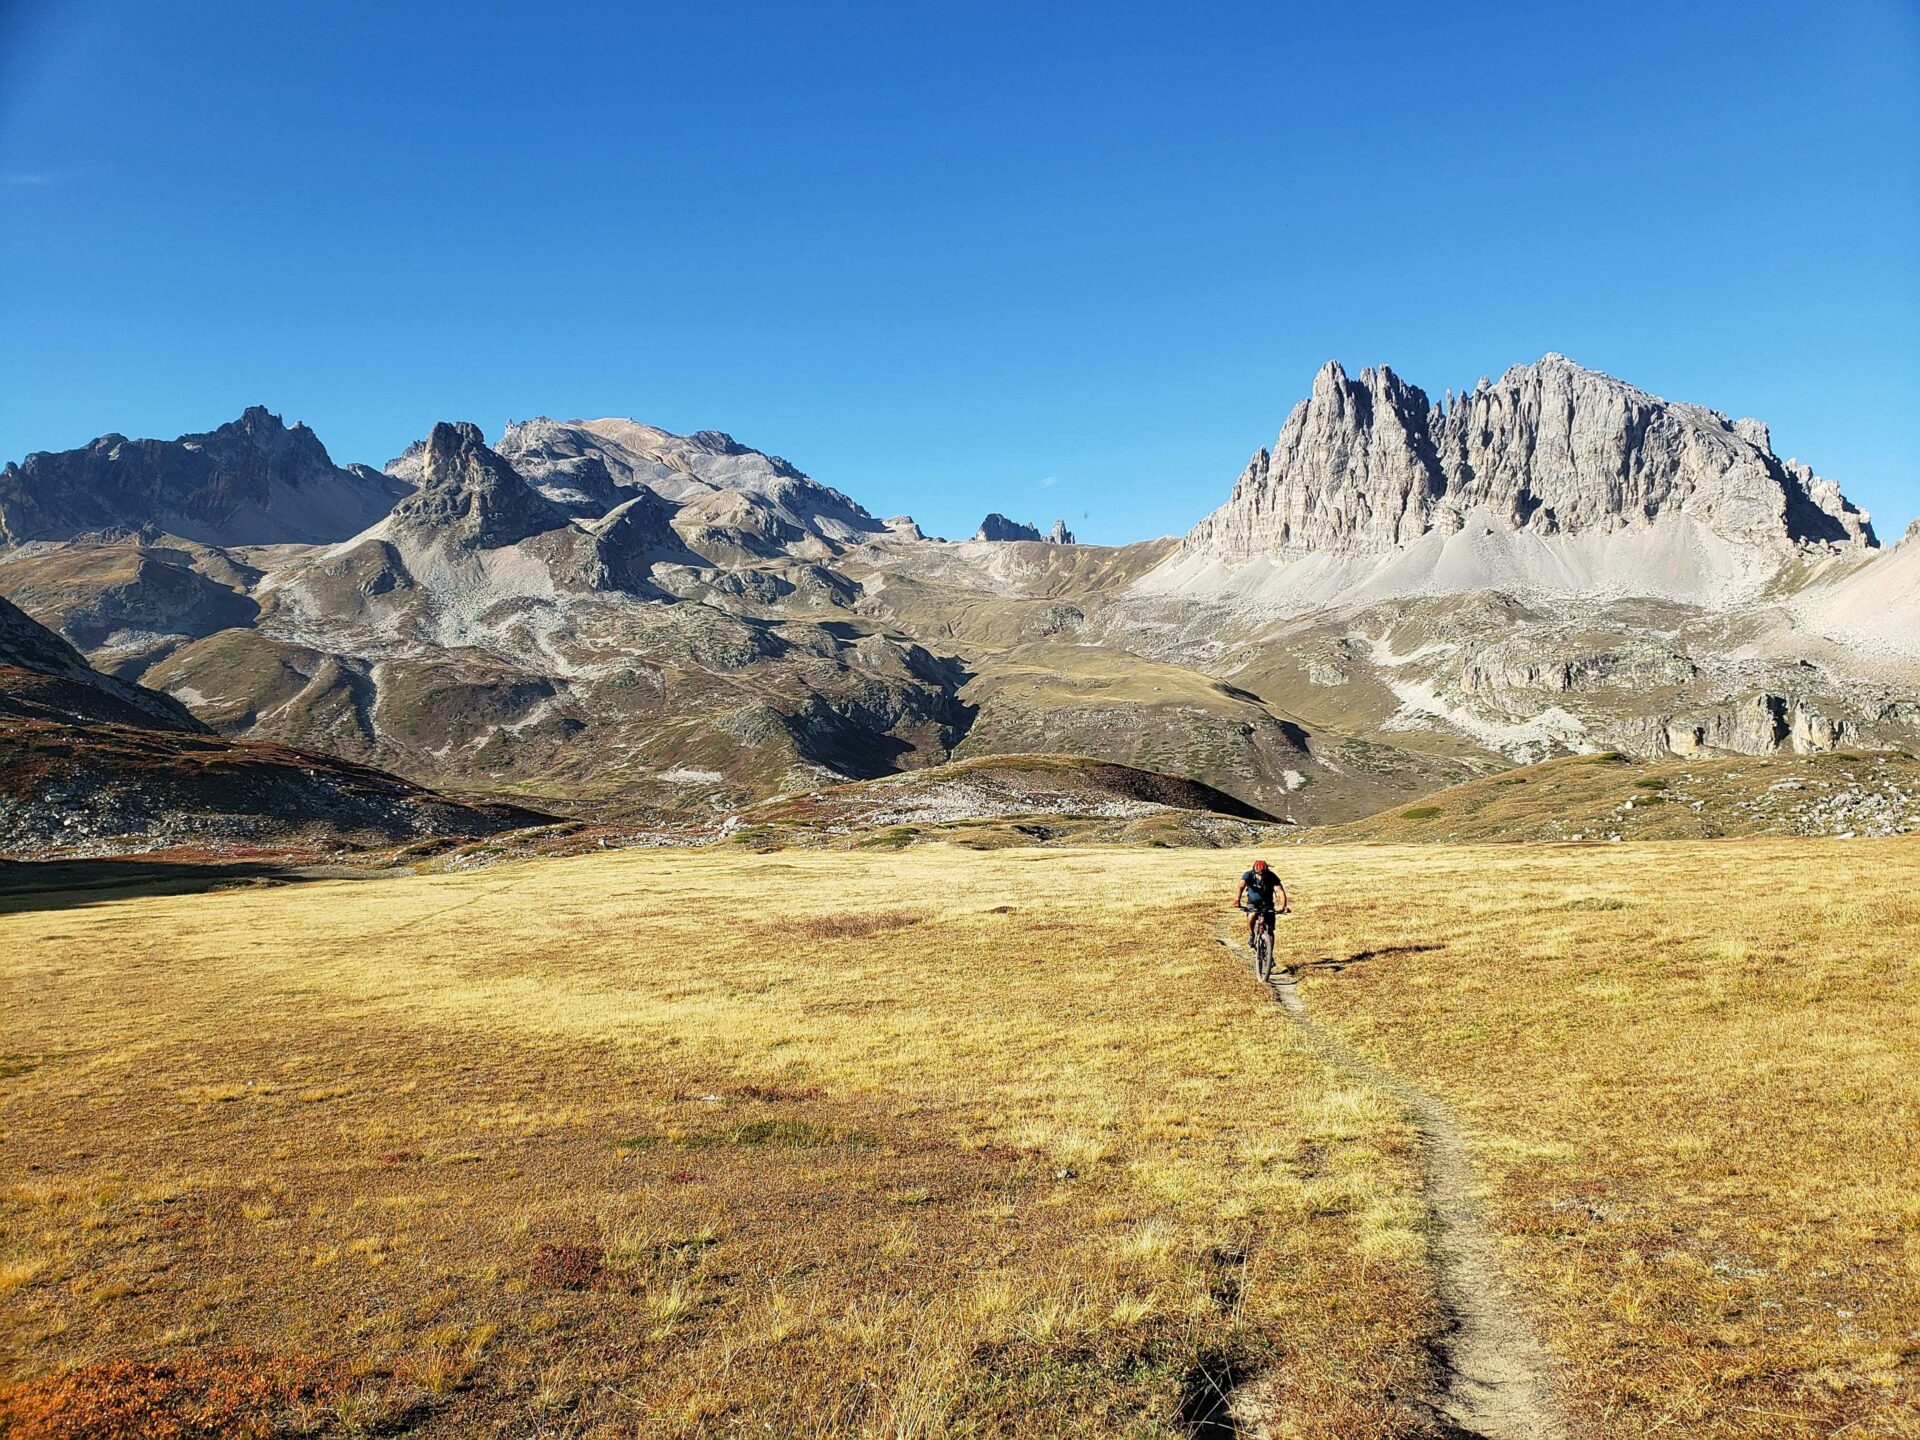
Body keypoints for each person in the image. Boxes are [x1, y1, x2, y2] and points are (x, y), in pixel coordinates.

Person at [1234, 858, 1289, 948]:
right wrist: (1237, 900)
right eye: (1258, 874)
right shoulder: (1248, 875)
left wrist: (1284, 906)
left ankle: (1270, 952)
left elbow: (1280, 891)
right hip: (1253, 901)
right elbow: (1241, 887)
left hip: (1267, 902)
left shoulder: (1271, 876)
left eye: (1263, 874)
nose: (1261, 876)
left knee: (1270, 930)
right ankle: (1251, 934)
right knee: (1252, 914)